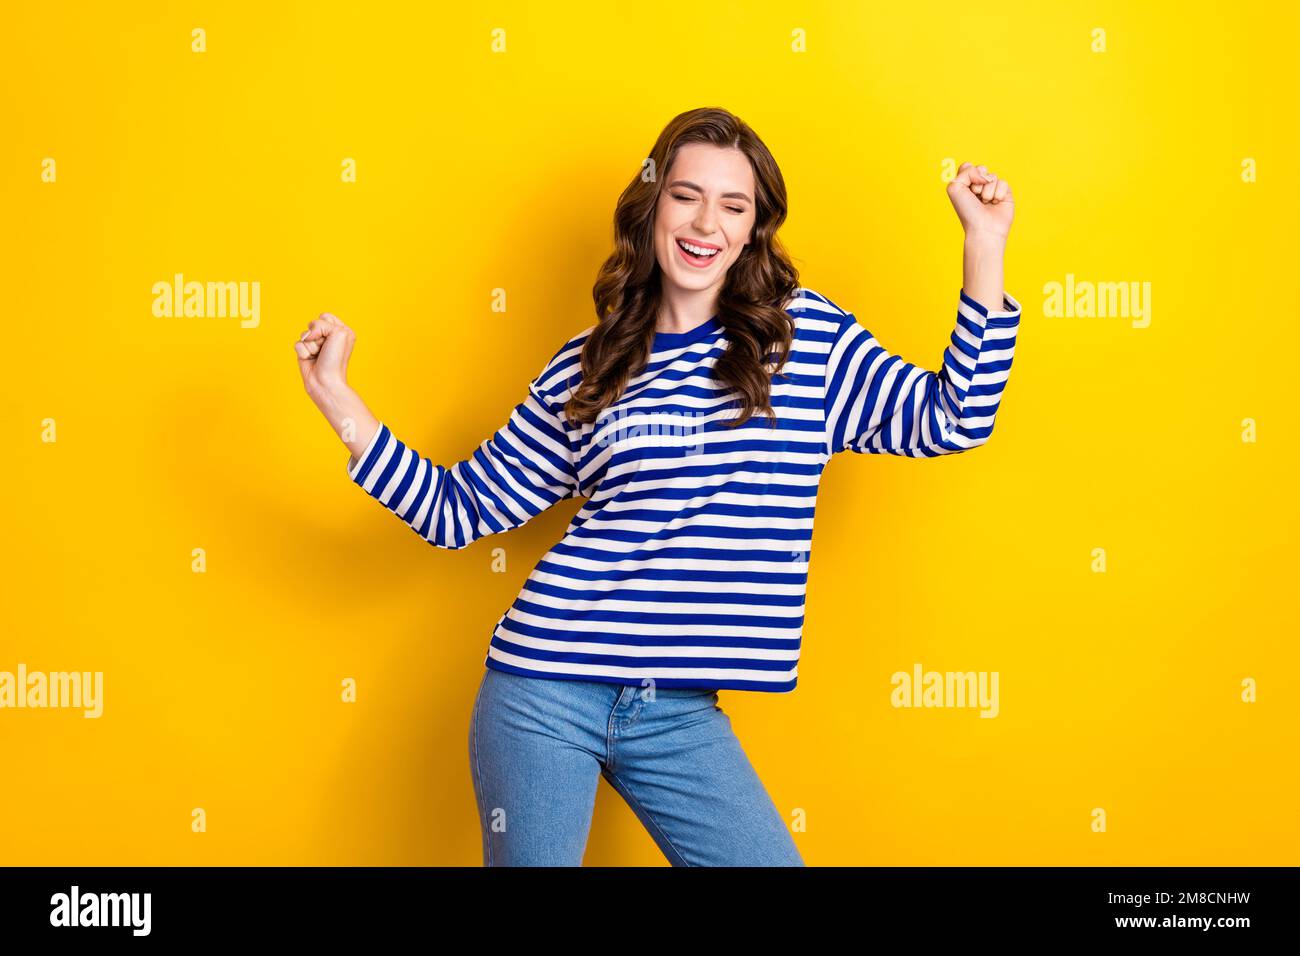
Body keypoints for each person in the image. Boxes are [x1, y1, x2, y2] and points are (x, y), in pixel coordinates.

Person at [292, 107, 1022, 866]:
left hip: (679, 716)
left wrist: (985, 245)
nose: (706, 221)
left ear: (751, 231)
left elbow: (953, 418)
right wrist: (340, 402)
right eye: (686, 195)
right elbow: (458, 510)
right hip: (543, 694)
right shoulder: (591, 364)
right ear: (652, 207)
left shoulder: (806, 340)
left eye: (733, 206)